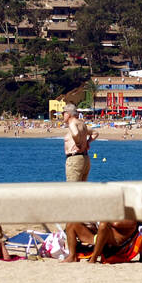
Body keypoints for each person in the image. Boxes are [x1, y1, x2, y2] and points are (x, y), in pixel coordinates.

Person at [60, 104, 98, 264]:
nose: (62, 116)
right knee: (80, 193)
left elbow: (75, 134)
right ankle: (79, 225)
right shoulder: (83, 123)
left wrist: (78, 142)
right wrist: (88, 142)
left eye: (63, 113)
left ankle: (72, 231)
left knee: (72, 195)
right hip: (85, 158)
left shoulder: (73, 124)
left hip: (75, 158)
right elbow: (96, 132)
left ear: (68, 114)